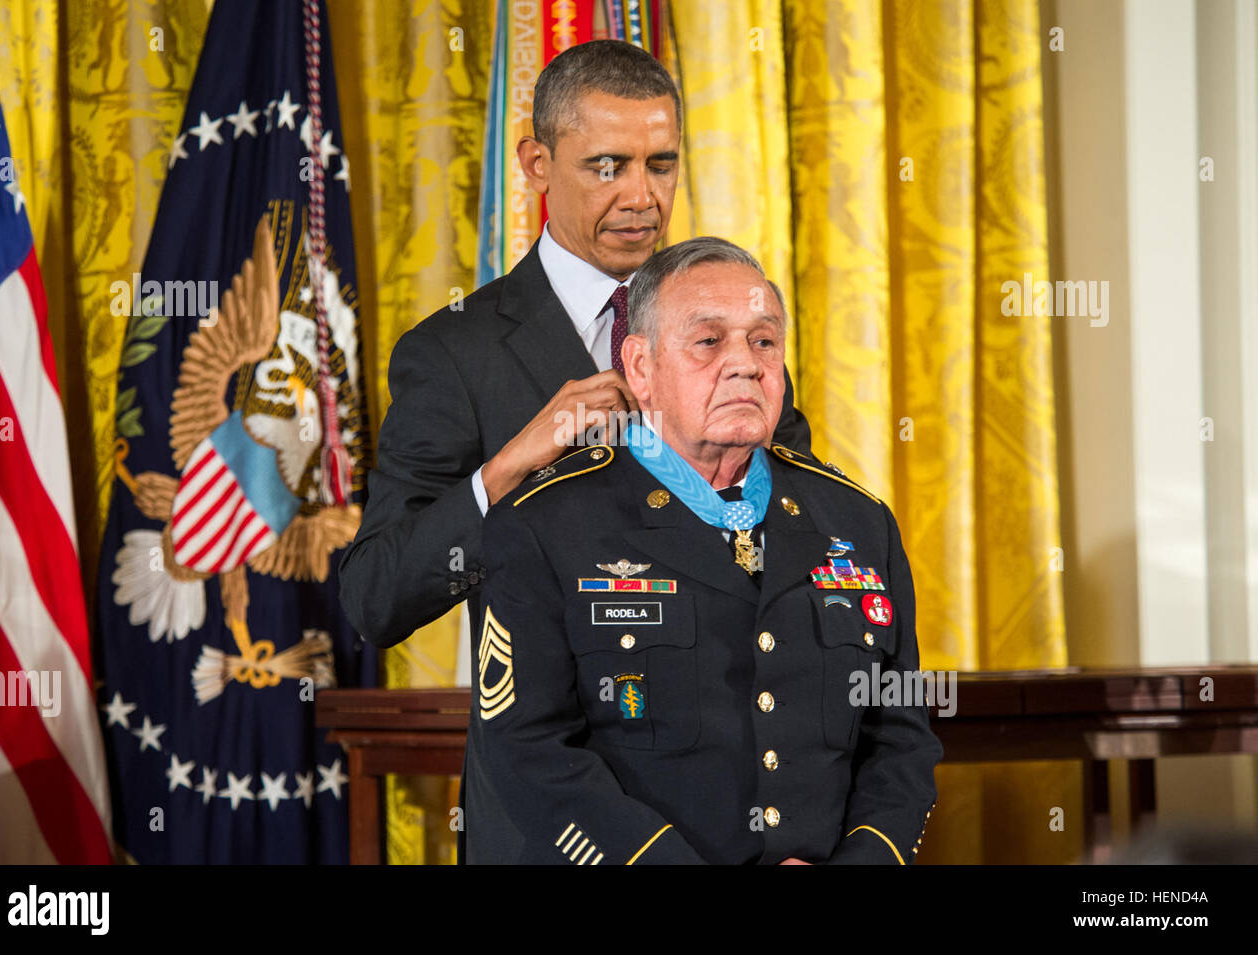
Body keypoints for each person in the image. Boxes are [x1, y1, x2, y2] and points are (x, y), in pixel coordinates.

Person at [464, 237, 941, 864]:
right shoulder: (544, 526)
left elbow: (901, 739)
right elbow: (530, 752)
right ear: (640, 368)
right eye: (709, 341)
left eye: (764, 341)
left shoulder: (860, 521)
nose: (745, 363)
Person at [338, 39, 810, 650]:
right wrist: (509, 468)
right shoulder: (454, 352)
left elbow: (806, 529)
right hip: (556, 733)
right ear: (537, 164)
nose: (643, 196)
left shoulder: (732, 329)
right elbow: (376, 597)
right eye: (608, 167)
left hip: (730, 724)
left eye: (661, 165)